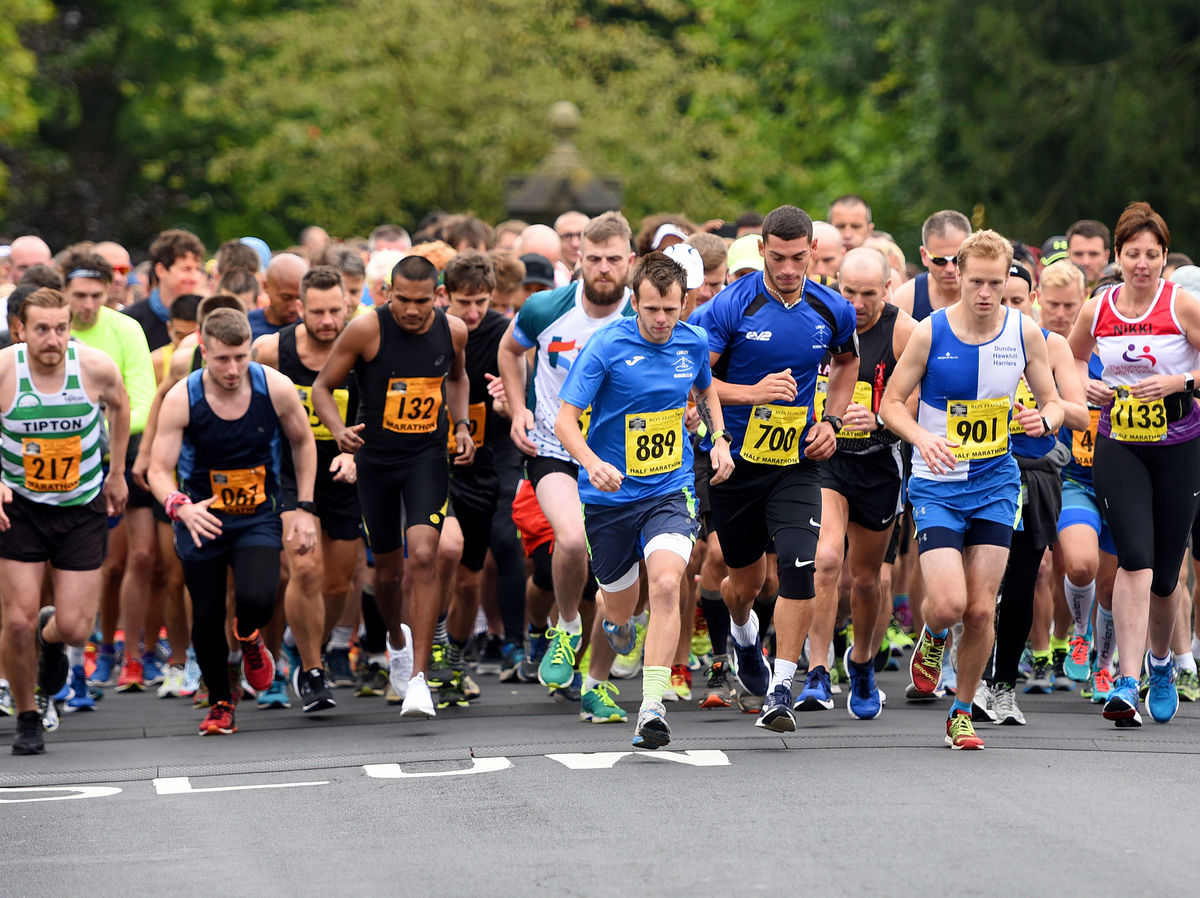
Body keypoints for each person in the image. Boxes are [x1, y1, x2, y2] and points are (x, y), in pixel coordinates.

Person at [880, 229, 1064, 750]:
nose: (985, 293)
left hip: (995, 483)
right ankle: (933, 635)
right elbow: (891, 405)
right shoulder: (931, 333)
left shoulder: (1025, 333)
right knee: (949, 603)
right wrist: (921, 439)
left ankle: (961, 710)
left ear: (1008, 279)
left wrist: (1042, 420)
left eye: (995, 282)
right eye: (976, 281)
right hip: (938, 484)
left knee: (983, 609)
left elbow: (1052, 402)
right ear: (958, 275)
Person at [688, 204, 859, 730]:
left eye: (799, 258)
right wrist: (752, 393)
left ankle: (781, 688)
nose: (789, 269)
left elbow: (847, 361)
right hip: (735, 462)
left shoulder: (833, 308)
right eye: (778, 257)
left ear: (813, 253)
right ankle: (743, 635)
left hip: (796, 462)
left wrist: (830, 421)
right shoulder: (728, 308)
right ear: (761, 250)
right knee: (744, 582)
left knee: (799, 566)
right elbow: (694, 379)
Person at [555, 252, 734, 748]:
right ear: (635, 302)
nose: (661, 320)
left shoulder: (692, 341)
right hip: (609, 495)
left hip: (668, 489)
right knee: (619, 606)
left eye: (670, 310)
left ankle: (651, 706)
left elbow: (705, 391)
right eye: (652, 309)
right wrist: (592, 463)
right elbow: (565, 420)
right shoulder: (606, 345)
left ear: (684, 304)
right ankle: (617, 627)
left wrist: (717, 438)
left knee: (666, 582)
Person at [312, 255, 474, 720]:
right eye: (401, 299)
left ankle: (419, 679)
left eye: (422, 301)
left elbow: (458, 377)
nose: (411, 310)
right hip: (377, 460)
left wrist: (460, 424)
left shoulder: (453, 331)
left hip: (427, 457)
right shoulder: (367, 330)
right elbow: (324, 386)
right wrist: (340, 430)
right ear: (388, 292)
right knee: (384, 574)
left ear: (437, 296)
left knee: (424, 556)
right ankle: (397, 643)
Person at [148, 308, 318, 736]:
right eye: (222, 359)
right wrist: (178, 505)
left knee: (259, 596)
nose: (232, 369)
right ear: (204, 351)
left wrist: (306, 506)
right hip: (200, 517)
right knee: (205, 615)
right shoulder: (182, 397)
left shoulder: (274, 387)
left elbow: (303, 442)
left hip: (256, 515)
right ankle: (222, 701)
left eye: (241, 357)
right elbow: (157, 468)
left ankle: (248, 635)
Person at [1067, 201, 1200, 727]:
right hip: (1119, 442)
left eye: (1152, 254)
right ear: (1117, 257)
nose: (1142, 263)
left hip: (1179, 445)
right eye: (1132, 253)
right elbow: (1073, 356)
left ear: (1164, 258)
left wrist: (1179, 382)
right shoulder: (1099, 308)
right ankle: (1125, 678)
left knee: (1166, 576)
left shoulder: (1181, 305)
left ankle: (1162, 665)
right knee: (1134, 559)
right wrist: (1085, 385)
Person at [497, 211, 636, 702]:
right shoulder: (544, 308)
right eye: (594, 258)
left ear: (630, 261)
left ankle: (605, 646)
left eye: (613, 259)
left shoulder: (645, 317)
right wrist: (518, 409)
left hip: (617, 455)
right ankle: (567, 628)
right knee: (571, 542)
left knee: (614, 568)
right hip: (554, 446)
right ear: (579, 258)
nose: (603, 268)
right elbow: (509, 352)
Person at [0, 287, 130, 754]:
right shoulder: (5, 370)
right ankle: (28, 716)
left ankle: (49, 637)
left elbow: (120, 406)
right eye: (41, 329)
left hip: (81, 505)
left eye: (60, 328)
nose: (52, 339)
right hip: (21, 507)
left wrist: (115, 473)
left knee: (76, 628)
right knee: (15, 621)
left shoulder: (93, 367)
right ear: (20, 330)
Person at [798, 247, 917, 721]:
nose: (859, 303)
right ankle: (817, 670)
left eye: (869, 294)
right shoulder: (817, 319)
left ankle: (863, 662)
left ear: (887, 289)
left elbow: (923, 402)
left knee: (866, 580)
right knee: (826, 560)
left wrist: (882, 418)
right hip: (827, 461)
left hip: (879, 466)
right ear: (835, 284)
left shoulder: (904, 330)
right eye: (850, 292)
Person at [978, 261, 1087, 726]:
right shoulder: (964, 336)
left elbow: (1081, 416)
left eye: (1017, 300)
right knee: (974, 587)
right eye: (1002, 299)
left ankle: (1001, 685)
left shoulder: (1048, 343)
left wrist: (1049, 412)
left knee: (1023, 580)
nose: (1008, 308)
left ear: (1032, 299)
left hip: (1033, 474)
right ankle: (958, 662)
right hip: (975, 467)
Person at [251, 266, 360, 712]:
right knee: (304, 570)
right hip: (291, 472)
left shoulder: (362, 347)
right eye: (317, 311)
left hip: (344, 470)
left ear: (348, 306)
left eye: (336, 310)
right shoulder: (271, 350)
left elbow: (377, 407)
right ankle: (313, 671)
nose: (328, 320)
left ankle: (305, 641)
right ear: (299, 307)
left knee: (337, 583)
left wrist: (356, 452)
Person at [59, 250, 160, 695]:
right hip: (65, 455)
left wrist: (91, 424)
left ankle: (134, 656)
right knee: (105, 562)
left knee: (141, 557)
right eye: (78, 295)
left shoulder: (125, 328)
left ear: (109, 293)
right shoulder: (51, 330)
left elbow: (142, 401)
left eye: (96, 296)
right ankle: (93, 648)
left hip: (121, 450)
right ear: (63, 293)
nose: (86, 305)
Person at [123, 229, 206, 352]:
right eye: (186, 269)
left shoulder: (208, 315)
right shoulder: (131, 321)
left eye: (198, 269)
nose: (195, 277)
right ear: (161, 270)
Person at [893, 210, 972, 322]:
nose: (950, 269)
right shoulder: (906, 299)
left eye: (958, 259)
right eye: (939, 260)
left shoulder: (985, 294)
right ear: (924, 255)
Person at [248, 253, 308, 341]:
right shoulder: (247, 326)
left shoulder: (311, 329)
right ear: (266, 286)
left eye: (300, 298)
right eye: (286, 298)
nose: (294, 308)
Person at [1066, 219, 1111, 290]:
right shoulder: (1051, 293)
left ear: (1106, 256)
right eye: (1078, 254)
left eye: (1093, 254)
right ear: (1068, 255)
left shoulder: (1117, 296)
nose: (1086, 262)